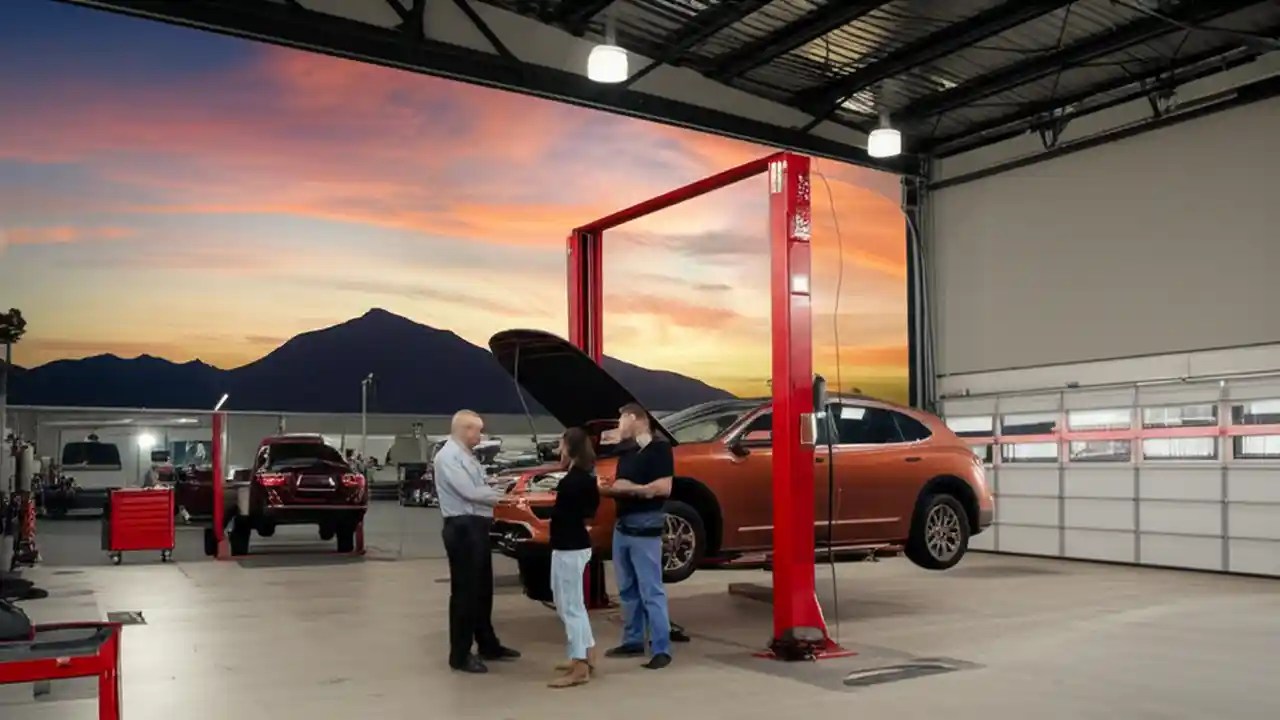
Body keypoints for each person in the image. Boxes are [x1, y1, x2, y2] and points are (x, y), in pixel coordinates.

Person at [434, 410, 521, 674]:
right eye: (477, 431)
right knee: (465, 592)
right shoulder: (448, 457)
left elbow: (479, 485)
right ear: (465, 429)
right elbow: (469, 492)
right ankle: (459, 655)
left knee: (482, 589)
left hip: (476, 526)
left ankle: (488, 644)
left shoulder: (466, 456)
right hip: (462, 527)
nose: (480, 436)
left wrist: (497, 486)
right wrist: (506, 498)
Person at [598, 403, 674, 670]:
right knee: (627, 588)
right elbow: (620, 485)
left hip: (646, 526)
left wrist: (634, 489)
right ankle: (632, 640)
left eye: (621, 420)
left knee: (650, 589)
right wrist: (632, 489)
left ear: (633, 418)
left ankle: (661, 647)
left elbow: (663, 488)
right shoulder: (627, 452)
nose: (619, 425)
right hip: (623, 526)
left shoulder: (660, 450)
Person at [547, 427, 601, 688]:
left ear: (570, 448)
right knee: (571, 603)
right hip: (574, 544)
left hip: (569, 547)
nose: (559, 449)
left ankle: (580, 665)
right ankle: (585, 654)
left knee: (570, 606)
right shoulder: (587, 477)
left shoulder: (571, 482)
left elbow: (561, 514)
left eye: (561, 444)